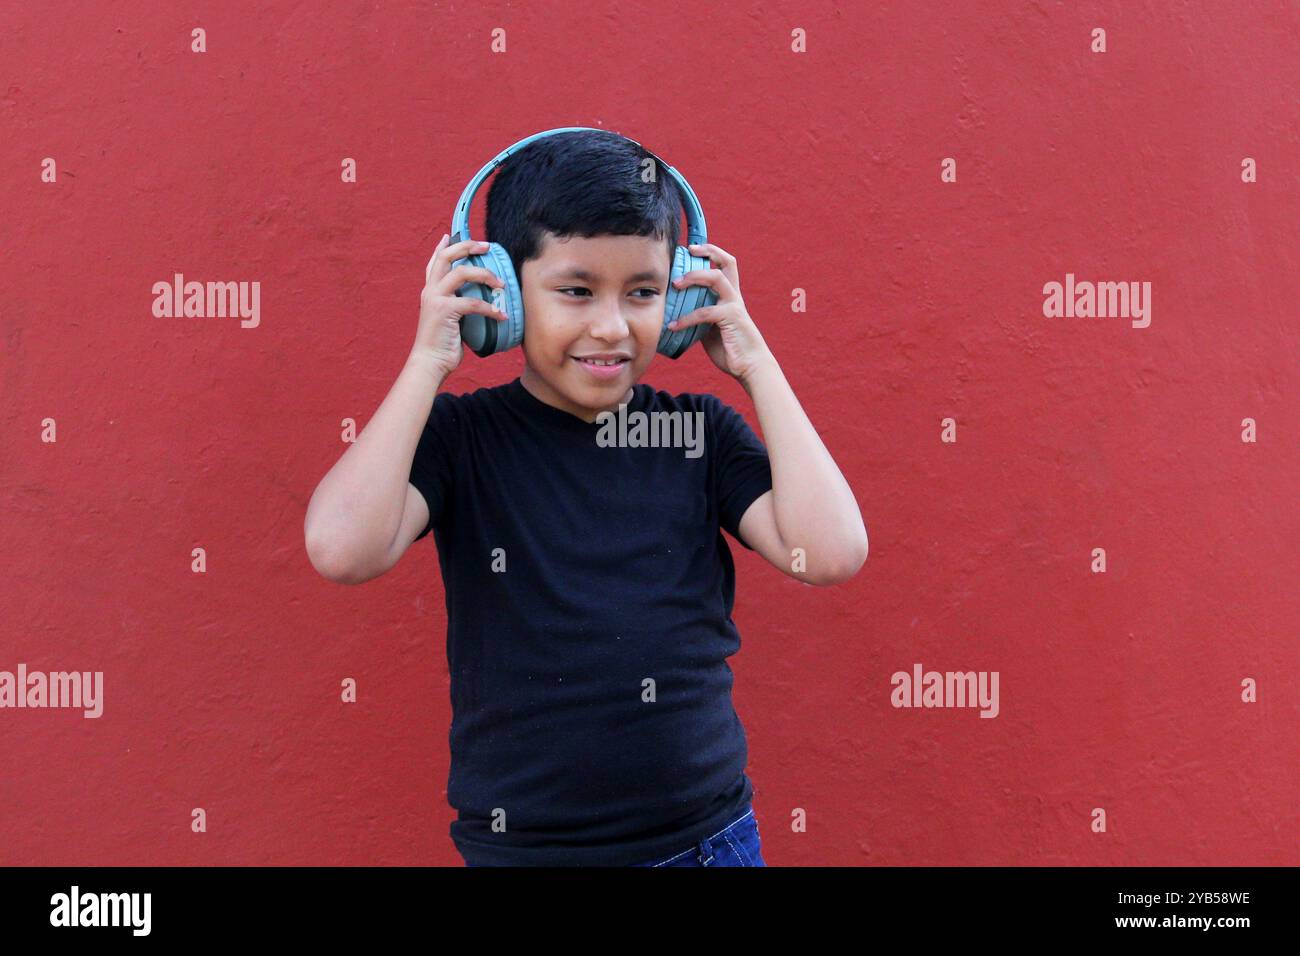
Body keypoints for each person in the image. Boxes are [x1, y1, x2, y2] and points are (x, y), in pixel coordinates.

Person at [304, 129, 868, 866]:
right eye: (575, 290)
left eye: (643, 293)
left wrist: (757, 366)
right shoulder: (462, 440)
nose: (611, 325)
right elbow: (341, 550)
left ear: (678, 300)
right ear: (498, 294)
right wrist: (427, 361)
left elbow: (831, 554)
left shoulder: (698, 434)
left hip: (706, 844)